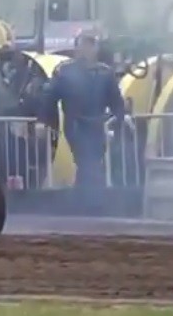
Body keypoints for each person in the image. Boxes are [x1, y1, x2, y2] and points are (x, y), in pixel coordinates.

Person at [43, 30, 130, 211]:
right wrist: (46, 121)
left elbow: (116, 100)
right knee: (86, 159)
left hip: (98, 123)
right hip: (76, 123)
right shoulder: (64, 71)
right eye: (83, 45)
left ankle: (83, 202)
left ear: (96, 48)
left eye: (91, 45)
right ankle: (92, 203)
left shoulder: (105, 73)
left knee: (93, 160)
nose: (86, 50)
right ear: (76, 48)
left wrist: (121, 118)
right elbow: (49, 97)